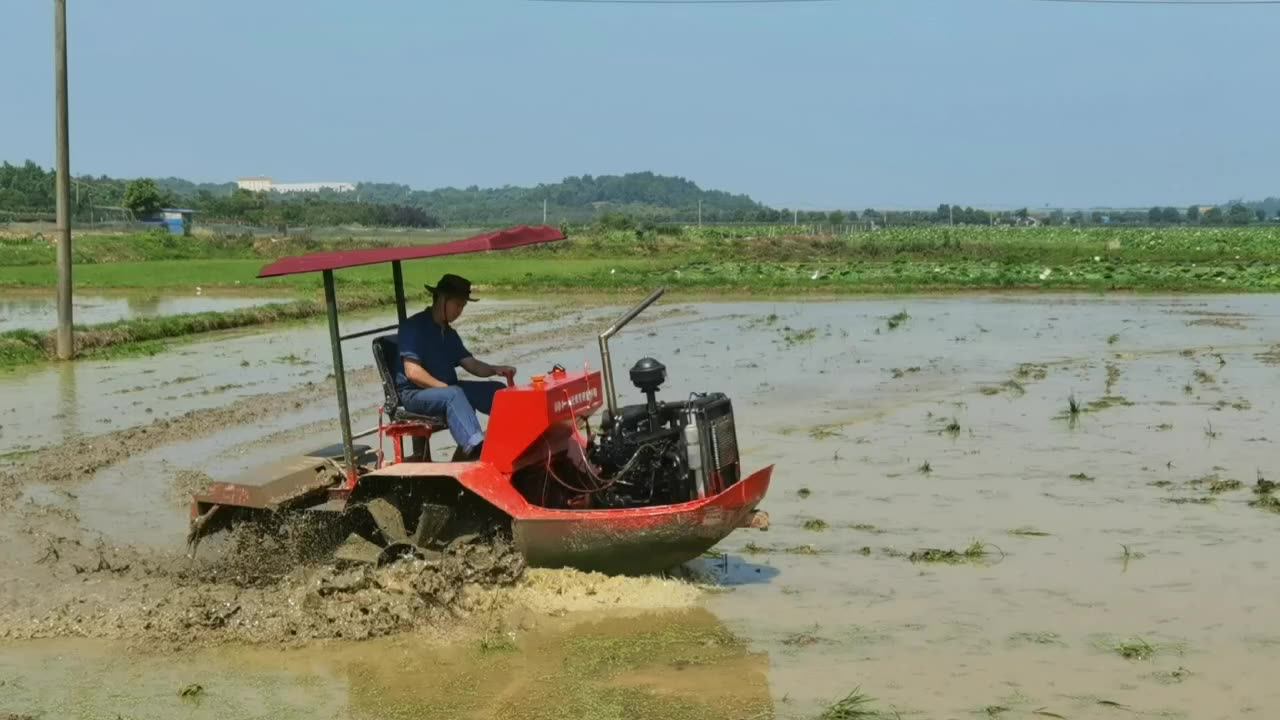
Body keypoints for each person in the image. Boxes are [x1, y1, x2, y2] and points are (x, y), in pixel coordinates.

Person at [394, 273, 516, 460]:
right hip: (415, 393)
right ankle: (477, 450)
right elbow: (413, 372)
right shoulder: (414, 327)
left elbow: (472, 365)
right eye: (457, 305)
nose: (460, 311)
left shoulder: (448, 333)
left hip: (447, 391)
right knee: (454, 394)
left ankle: (513, 437)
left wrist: (495, 369)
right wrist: (446, 388)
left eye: (463, 306)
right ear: (442, 299)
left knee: (497, 391)